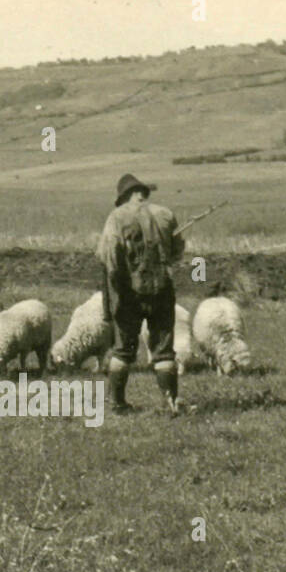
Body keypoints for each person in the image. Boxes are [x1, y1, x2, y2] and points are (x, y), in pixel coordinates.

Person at [95, 173, 184, 414]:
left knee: (123, 349)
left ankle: (118, 404)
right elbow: (177, 253)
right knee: (164, 351)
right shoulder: (166, 214)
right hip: (162, 291)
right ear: (142, 193)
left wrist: (116, 295)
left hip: (129, 294)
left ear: (125, 196)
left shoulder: (117, 217)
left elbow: (109, 259)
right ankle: (171, 403)